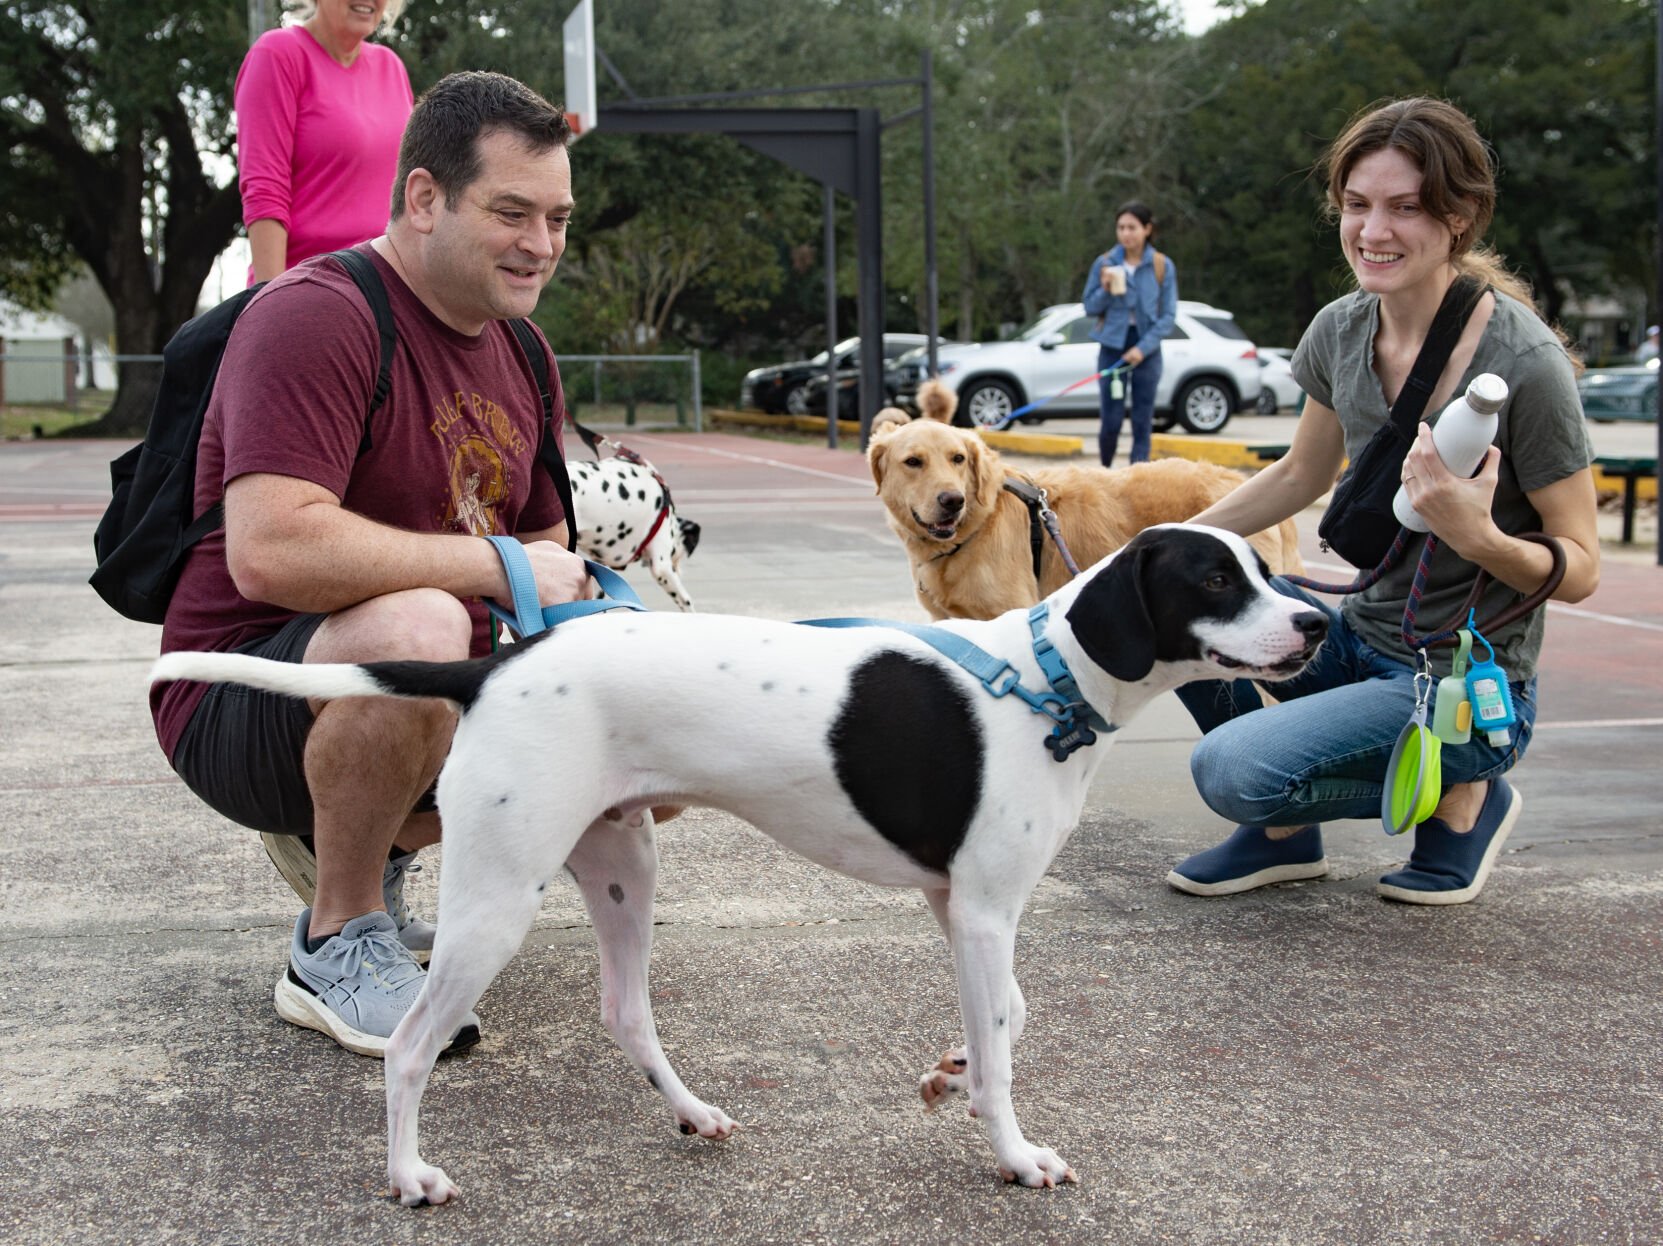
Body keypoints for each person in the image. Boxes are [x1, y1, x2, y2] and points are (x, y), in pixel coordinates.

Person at [152, 71, 591, 1055]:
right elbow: (269, 548)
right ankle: (335, 936)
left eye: (557, 217)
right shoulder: (320, 314)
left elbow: (547, 542)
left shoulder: (523, 352)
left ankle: (373, 836)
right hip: (243, 687)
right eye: (511, 212)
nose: (542, 244)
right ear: (425, 198)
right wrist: (495, 569)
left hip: (411, 683)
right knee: (420, 627)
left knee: (661, 705)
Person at [1165, 97, 1600, 906]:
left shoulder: (1524, 366)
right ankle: (1287, 837)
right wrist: (1159, 544)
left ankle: (1463, 792)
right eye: (1357, 206)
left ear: (1459, 217)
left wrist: (1478, 535)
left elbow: (1578, 569)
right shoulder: (1339, 329)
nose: (1374, 231)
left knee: (1229, 770)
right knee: (1173, 598)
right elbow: (1300, 475)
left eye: (1405, 208)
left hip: (1458, 680)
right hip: (1357, 635)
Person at [236, 0, 415, 284]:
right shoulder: (277, 54)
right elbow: (264, 190)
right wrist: (268, 303)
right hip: (308, 287)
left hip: (387, 290)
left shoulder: (390, 67)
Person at [1081, 201, 1179, 466]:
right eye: (1121, 227)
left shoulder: (1162, 265)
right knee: (1111, 420)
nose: (1126, 233)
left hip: (1146, 348)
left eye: (1132, 227)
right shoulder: (1105, 263)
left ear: (1147, 229)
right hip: (1112, 345)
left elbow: (1168, 315)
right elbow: (1089, 307)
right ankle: (1105, 472)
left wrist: (1143, 348)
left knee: (1142, 419)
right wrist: (1104, 287)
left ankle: (1138, 476)